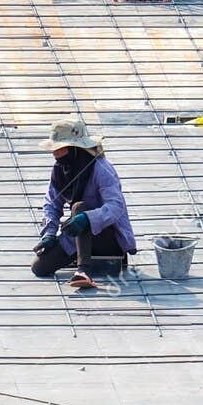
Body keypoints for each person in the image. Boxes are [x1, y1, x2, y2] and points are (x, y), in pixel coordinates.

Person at [31, 117, 136, 290]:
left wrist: (87, 218)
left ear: (74, 148)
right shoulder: (60, 171)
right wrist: (49, 233)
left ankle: (83, 270)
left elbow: (116, 206)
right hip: (80, 236)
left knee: (79, 207)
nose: (55, 153)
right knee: (40, 267)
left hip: (108, 238)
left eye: (59, 148)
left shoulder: (100, 168)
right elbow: (51, 204)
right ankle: (78, 256)